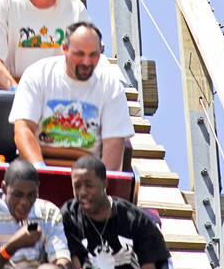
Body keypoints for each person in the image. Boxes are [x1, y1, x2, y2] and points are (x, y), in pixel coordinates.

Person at [10, 23, 134, 171]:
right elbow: (23, 129)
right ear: (64, 49)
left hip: (88, 174)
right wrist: (40, 170)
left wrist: (101, 185)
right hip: (36, 168)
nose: (86, 62)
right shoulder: (38, 74)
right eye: (79, 54)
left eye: (93, 55)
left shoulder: (110, 85)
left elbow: (113, 144)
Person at [62, 155, 169, 269]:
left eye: (89, 185)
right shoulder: (69, 215)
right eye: (77, 186)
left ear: (105, 183)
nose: (82, 192)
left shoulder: (136, 219)